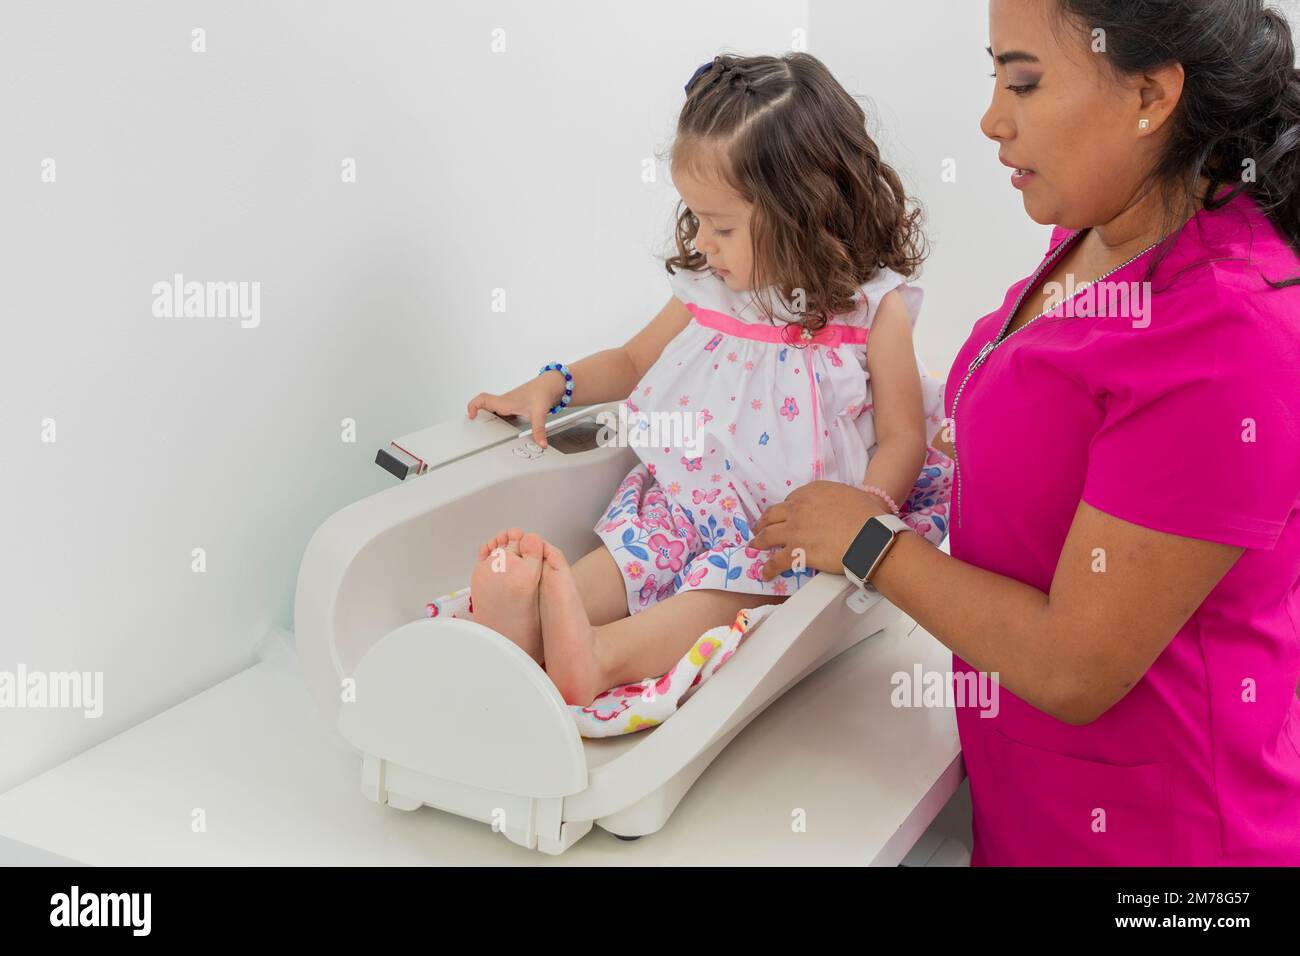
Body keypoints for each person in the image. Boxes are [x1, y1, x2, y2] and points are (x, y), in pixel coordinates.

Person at [750, 0, 1300, 865]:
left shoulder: (1225, 334)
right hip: (1035, 805)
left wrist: (869, 546)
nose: (991, 118)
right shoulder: (1103, 230)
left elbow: (1072, 668)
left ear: (1151, 94)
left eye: (1025, 82)